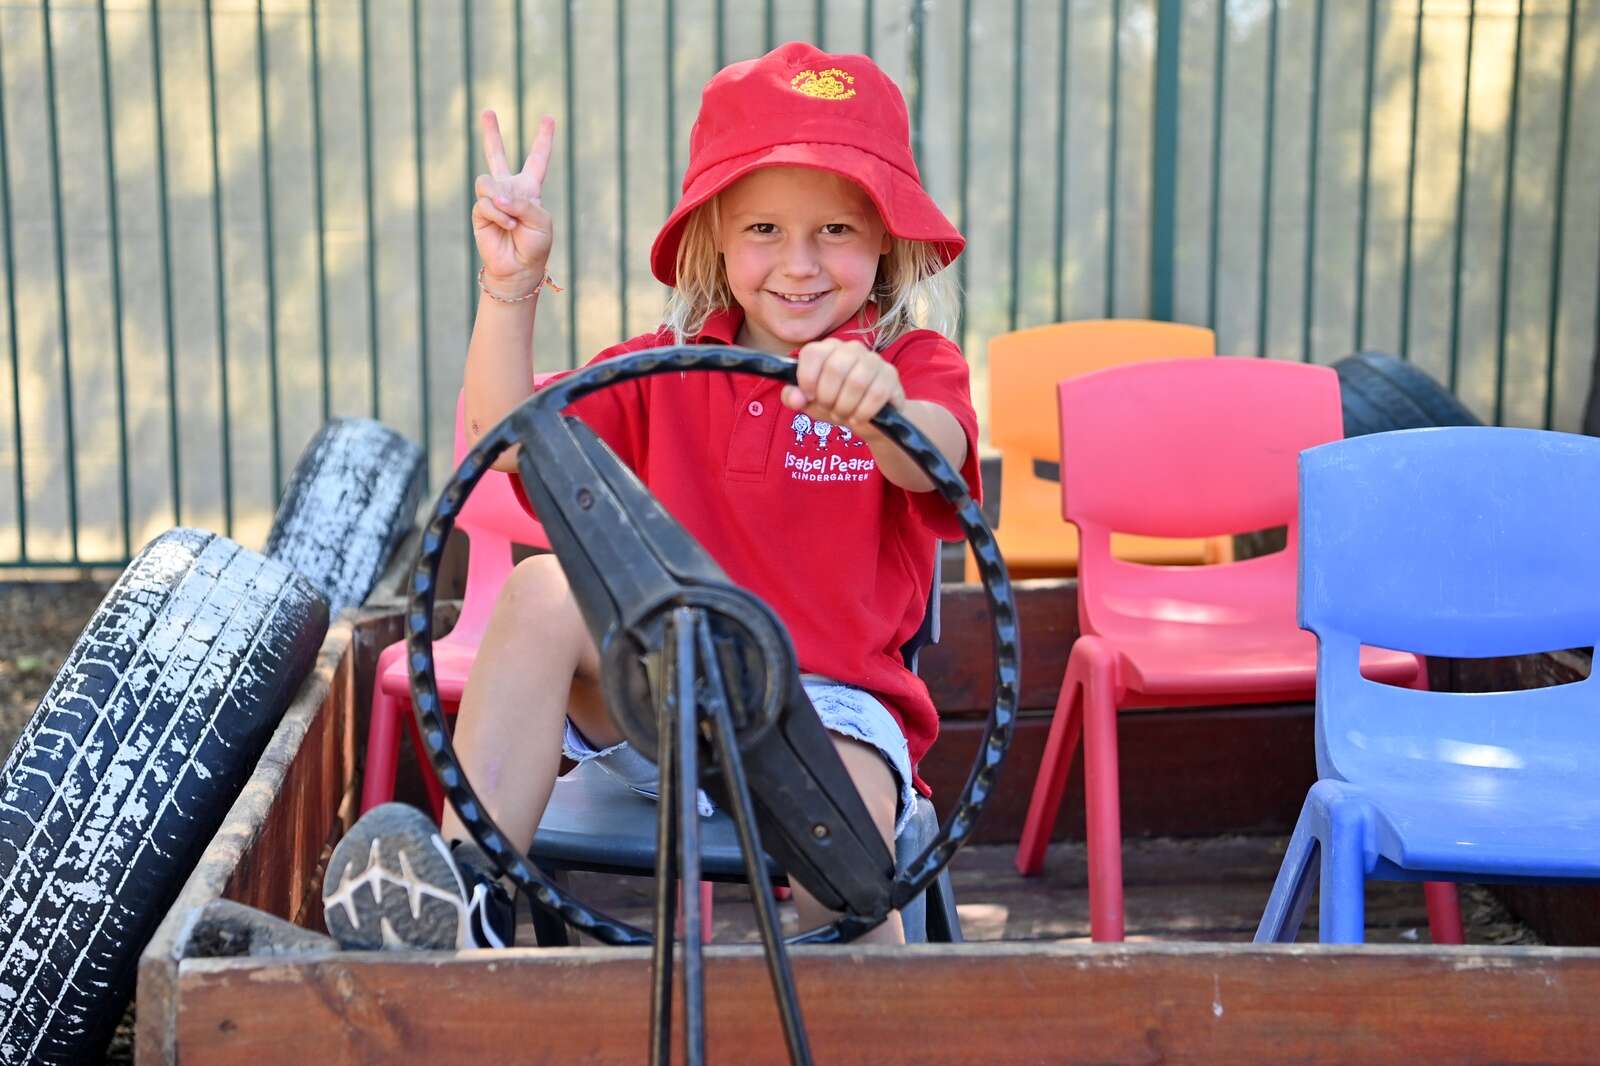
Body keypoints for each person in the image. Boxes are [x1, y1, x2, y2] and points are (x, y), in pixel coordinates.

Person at [322, 41, 978, 951]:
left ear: (885, 240)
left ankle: (858, 995)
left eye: (835, 229)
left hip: (830, 714)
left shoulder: (906, 365)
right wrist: (511, 289)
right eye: (763, 229)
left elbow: (936, 456)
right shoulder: (665, 366)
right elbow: (505, 441)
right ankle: (467, 902)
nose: (799, 264)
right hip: (661, 699)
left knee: (849, 863)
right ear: (716, 236)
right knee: (540, 588)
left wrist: (881, 412)